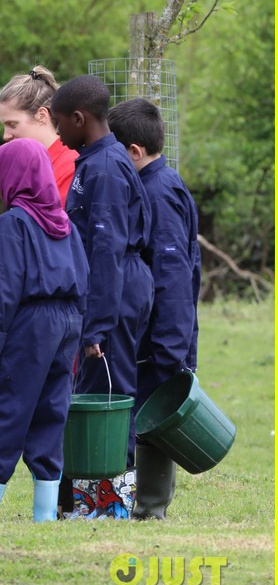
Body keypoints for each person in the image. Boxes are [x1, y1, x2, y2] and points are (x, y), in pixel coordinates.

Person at [0, 138, 88, 522]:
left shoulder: (13, 223)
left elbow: (1, 288)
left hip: (29, 326)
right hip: (67, 324)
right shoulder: (64, 223)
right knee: (50, 413)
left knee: (6, 410)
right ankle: (45, 513)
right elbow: (85, 278)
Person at [51, 75, 152, 519]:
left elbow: (107, 250)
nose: (55, 132)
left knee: (109, 395)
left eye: (58, 123)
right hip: (108, 288)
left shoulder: (107, 168)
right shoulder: (92, 161)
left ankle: (108, 506)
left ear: (78, 118)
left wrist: (96, 325)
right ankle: (90, 501)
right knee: (95, 392)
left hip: (116, 290)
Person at [107, 97, 200, 521]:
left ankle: (150, 508)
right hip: (153, 334)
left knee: (152, 415)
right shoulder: (156, 184)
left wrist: (170, 349)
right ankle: (142, 505)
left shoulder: (158, 194)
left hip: (161, 337)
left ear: (134, 153)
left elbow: (174, 278)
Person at [0, 66, 79, 203]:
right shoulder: (24, 166)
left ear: (42, 115)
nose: (6, 136)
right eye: (4, 125)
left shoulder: (70, 166)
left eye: (12, 125)